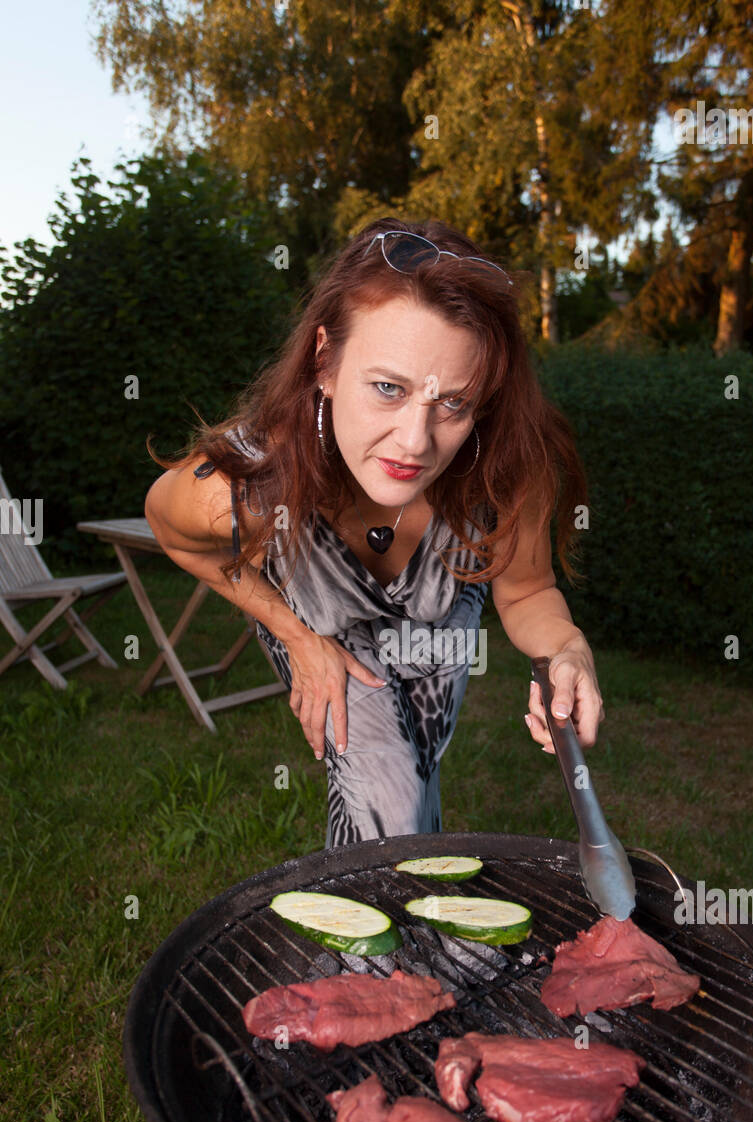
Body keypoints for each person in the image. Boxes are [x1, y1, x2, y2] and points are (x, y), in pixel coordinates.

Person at [145, 218, 604, 846]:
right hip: (320, 625)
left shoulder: (506, 470)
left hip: (438, 637)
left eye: (453, 403)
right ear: (325, 363)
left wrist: (567, 647)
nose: (415, 443)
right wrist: (294, 635)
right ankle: (375, 944)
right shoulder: (243, 489)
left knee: (418, 770)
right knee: (387, 788)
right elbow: (176, 537)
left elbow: (526, 594)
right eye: (388, 388)